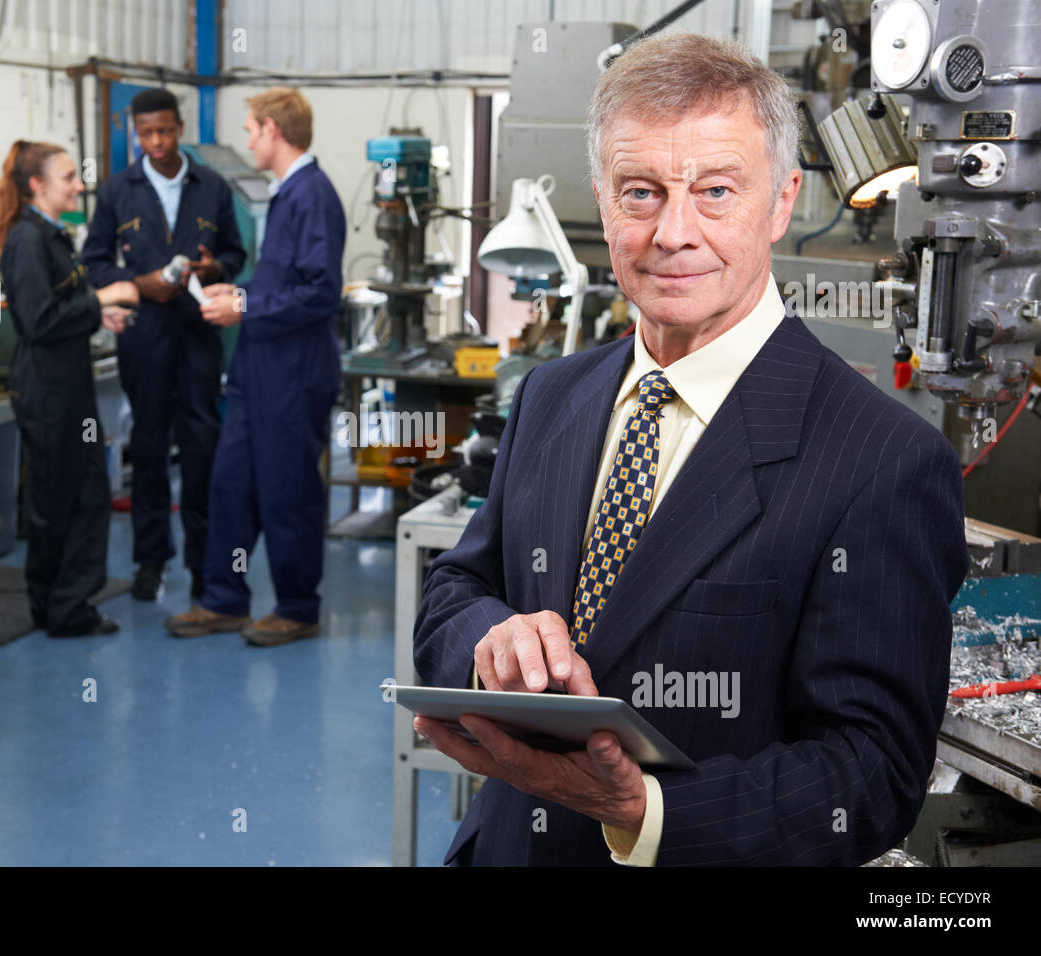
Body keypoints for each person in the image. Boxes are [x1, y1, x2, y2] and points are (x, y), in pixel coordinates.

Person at [412, 33, 969, 866]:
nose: (674, 232)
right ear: (602, 200)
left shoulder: (882, 460)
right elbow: (458, 587)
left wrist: (648, 811)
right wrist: (491, 642)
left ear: (780, 203)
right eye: (641, 192)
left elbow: (873, 773)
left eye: (715, 191)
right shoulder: (552, 395)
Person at [165, 88, 345, 646]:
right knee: (232, 484)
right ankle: (224, 598)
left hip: (292, 373)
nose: (245, 140)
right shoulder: (285, 194)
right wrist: (236, 291)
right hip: (256, 368)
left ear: (272, 129)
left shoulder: (312, 195)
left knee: (287, 490)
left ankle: (297, 607)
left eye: (249, 129)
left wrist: (244, 306)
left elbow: (320, 293)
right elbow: (282, 284)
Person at [81, 88, 246, 603]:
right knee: (149, 449)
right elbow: (94, 263)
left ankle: (203, 563)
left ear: (180, 129)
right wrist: (138, 283)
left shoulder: (213, 187)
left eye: (165, 131)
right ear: (136, 133)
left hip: (199, 338)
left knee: (202, 449)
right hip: (144, 339)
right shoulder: (116, 191)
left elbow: (235, 256)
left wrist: (212, 268)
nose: (156, 141)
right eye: (146, 133)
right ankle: (150, 562)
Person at [0, 140, 138, 636]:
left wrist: (101, 313)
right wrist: (104, 296)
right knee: (61, 500)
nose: (80, 185)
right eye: (69, 177)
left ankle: (64, 605)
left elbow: (63, 310)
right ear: (37, 185)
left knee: (84, 493)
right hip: (49, 394)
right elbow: (38, 320)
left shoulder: (53, 236)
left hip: (68, 389)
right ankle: (61, 608)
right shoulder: (27, 241)